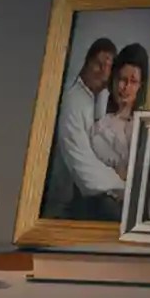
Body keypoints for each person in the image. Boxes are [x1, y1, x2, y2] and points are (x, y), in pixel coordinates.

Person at [43, 37, 125, 221]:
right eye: (98, 64)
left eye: (108, 67)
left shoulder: (95, 98)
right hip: (76, 200)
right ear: (86, 64)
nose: (103, 73)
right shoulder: (73, 101)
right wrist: (120, 184)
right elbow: (82, 165)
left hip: (96, 190)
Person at [91, 43, 150, 181]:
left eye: (133, 81)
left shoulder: (145, 126)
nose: (126, 87)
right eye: (122, 79)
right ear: (114, 79)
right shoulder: (100, 127)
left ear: (140, 86)